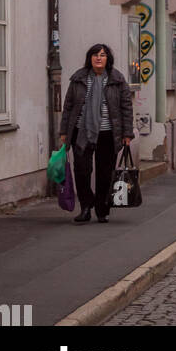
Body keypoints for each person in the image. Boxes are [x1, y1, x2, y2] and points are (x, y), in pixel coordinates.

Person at [59, 43, 133, 224]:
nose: (98, 58)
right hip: (81, 132)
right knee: (82, 171)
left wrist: (127, 133)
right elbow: (68, 107)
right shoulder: (79, 78)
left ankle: (102, 209)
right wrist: (64, 131)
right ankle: (85, 207)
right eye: (95, 55)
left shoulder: (117, 79)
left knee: (105, 173)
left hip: (108, 133)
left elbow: (126, 107)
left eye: (102, 55)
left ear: (108, 59)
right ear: (89, 58)